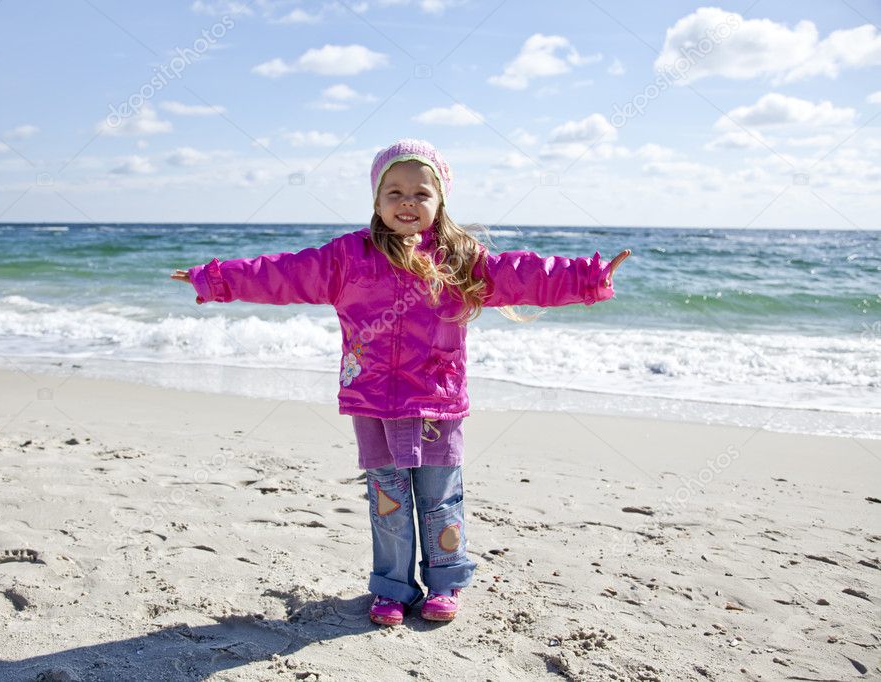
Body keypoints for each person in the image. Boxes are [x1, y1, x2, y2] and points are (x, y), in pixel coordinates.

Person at [171, 138, 630, 626]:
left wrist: (586, 277)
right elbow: (281, 273)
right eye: (394, 192)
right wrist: (215, 280)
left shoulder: (461, 259)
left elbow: (523, 274)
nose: (407, 202)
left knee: (439, 498)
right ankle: (391, 588)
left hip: (437, 400)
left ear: (440, 201)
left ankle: (444, 583)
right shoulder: (347, 257)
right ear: (376, 200)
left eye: (420, 193)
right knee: (387, 499)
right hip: (372, 400)